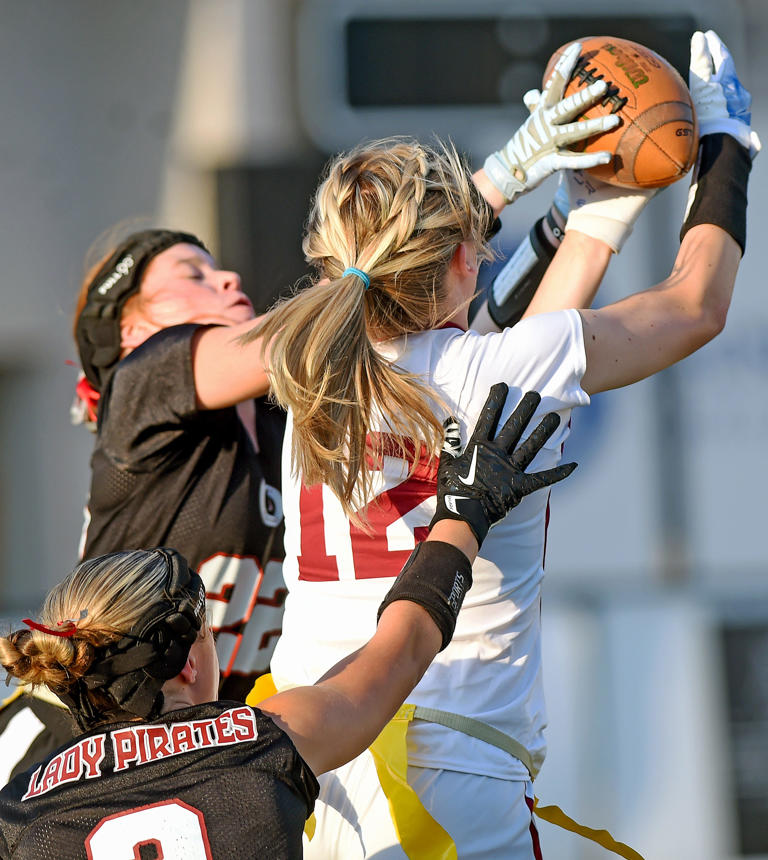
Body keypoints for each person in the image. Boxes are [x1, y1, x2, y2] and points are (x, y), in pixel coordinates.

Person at [239, 32, 759, 858]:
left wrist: (591, 220)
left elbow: (493, 348)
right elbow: (695, 304)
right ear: (455, 260)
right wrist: (729, 145)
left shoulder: (310, 371)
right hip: (449, 755)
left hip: (313, 757)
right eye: (473, 250)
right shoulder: (493, 364)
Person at [0, 386, 575, 859]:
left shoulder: (21, 809)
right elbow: (404, 645)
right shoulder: (264, 737)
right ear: (192, 662)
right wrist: (466, 512)